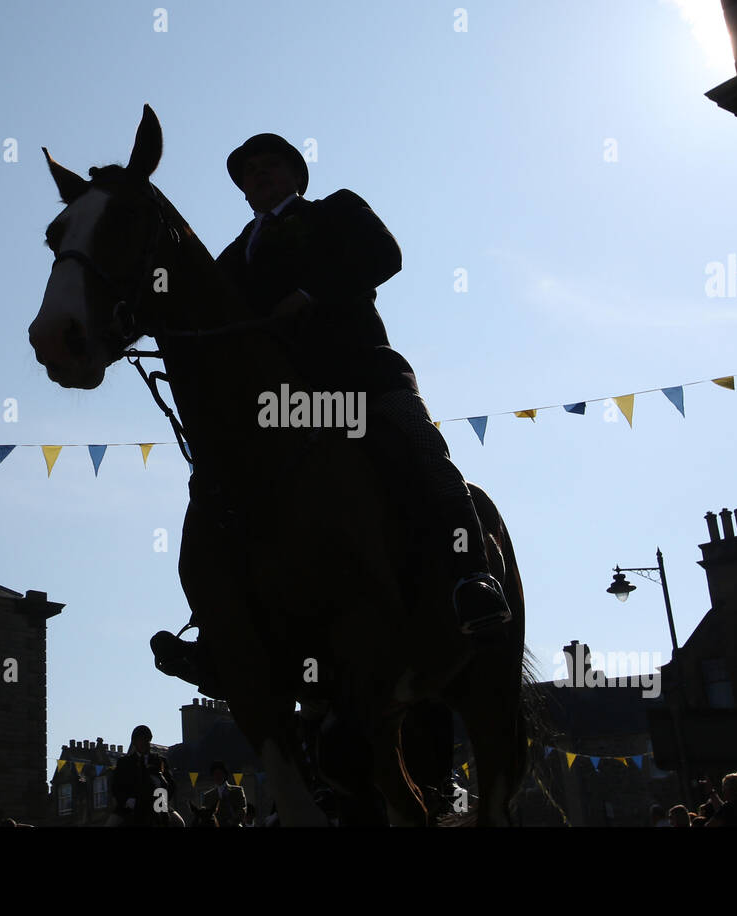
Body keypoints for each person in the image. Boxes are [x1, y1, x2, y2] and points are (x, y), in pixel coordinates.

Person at [152, 132, 512, 691]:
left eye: (270, 167)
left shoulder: (337, 210)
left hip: (363, 375)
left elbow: (384, 255)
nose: (259, 177)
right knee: (220, 484)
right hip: (288, 402)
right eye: (249, 174)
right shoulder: (233, 254)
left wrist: (312, 293)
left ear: (297, 175)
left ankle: (473, 579)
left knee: (421, 450)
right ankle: (221, 630)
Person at [110, 725, 176, 827]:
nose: (143, 743)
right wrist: (127, 800)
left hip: (157, 804)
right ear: (135, 743)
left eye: (146, 740)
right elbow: (116, 787)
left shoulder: (160, 761)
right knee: (110, 824)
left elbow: (170, 784)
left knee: (180, 823)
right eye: (140, 740)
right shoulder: (124, 762)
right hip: (131, 805)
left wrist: (163, 800)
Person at [200, 760, 246, 828]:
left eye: (220, 773)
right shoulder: (208, 795)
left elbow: (242, 809)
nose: (217, 776)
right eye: (215, 774)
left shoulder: (237, 791)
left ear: (225, 774)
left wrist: (232, 821)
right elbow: (204, 814)